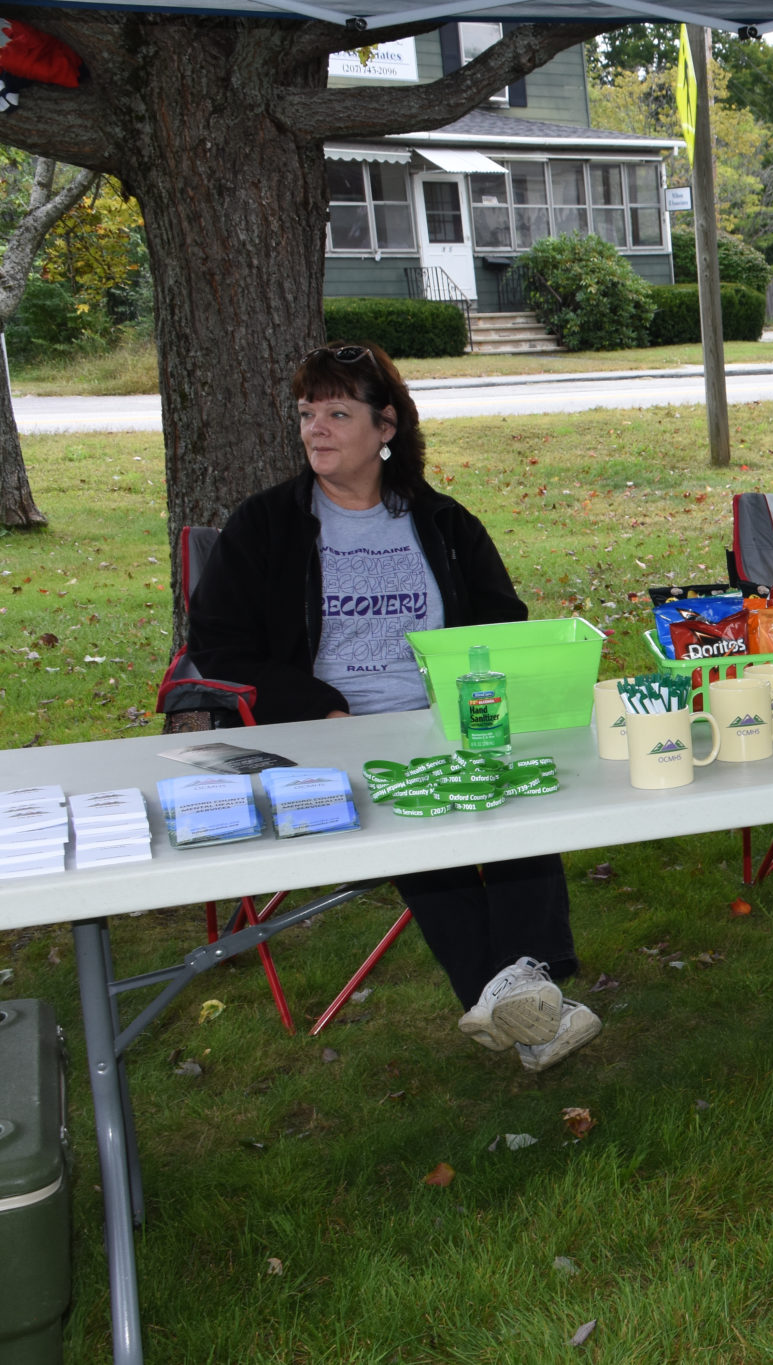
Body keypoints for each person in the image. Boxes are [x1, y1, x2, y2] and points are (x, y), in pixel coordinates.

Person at [188, 342, 600, 1072]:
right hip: (332, 731)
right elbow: (217, 646)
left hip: (447, 717)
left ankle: (520, 993)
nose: (315, 428)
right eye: (307, 412)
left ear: (386, 428)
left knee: (520, 799)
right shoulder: (267, 527)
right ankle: (535, 1012)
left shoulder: (442, 524)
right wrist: (320, 707)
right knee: (418, 819)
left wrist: (474, 700)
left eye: (337, 413)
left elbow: (503, 622)